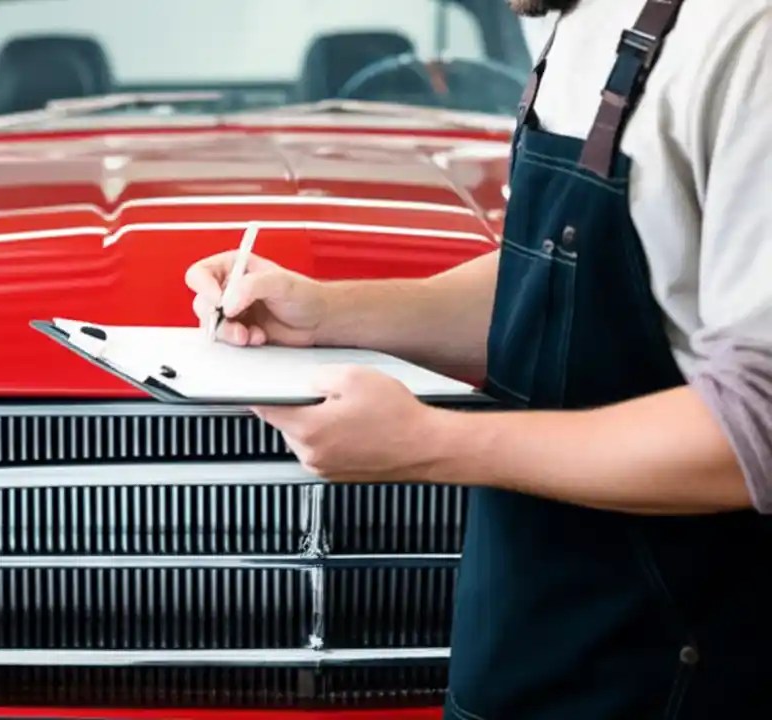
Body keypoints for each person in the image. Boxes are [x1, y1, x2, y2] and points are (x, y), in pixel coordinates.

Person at [185, 0, 771, 717]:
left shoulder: (749, 41)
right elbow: (549, 285)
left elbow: (758, 425)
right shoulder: (577, 22)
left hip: (667, 677)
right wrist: (325, 312)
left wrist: (432, 444)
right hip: (524, 652)